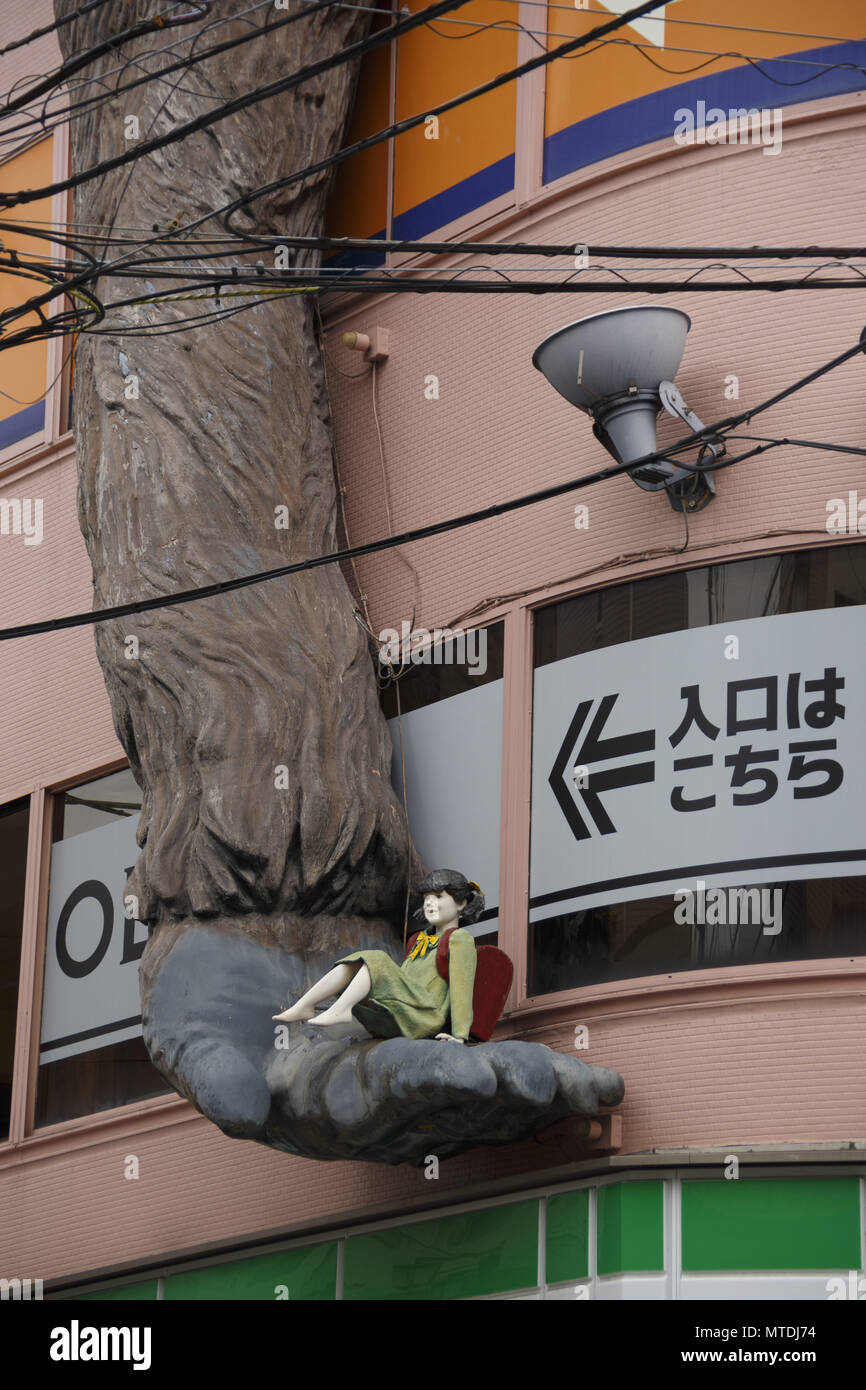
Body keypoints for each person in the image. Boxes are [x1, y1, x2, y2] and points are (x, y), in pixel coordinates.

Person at [273, 870, 485, 1043]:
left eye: (438, 897)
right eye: (426, 898)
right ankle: (306, 1005)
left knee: (377, 958)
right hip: (404, 1011)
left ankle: (341, 1009)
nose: (429, 903)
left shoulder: (459, 939)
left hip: (425, 1016)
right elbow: (400, 983)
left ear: (461, 903)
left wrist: (459, 1036)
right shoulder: (418, 940)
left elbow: (461, 989)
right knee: (358, 963)